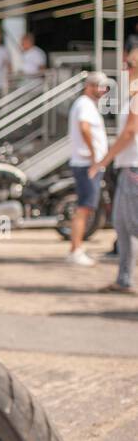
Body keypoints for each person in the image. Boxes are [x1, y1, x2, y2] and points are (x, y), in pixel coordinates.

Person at [89, 45, 138, 293]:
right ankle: (124, 279)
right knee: (122, 224)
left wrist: (103, 160)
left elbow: (130, 132)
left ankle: (126, 279)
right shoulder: (132, 96)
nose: (124, 69)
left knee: (131, 224)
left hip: (133, 167)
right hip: (128, 166)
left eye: (129, 65)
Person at [65, 71, 110, 267]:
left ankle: (77, 248)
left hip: (88, 163)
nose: (101, 90)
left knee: (86, 207)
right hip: (87, 164)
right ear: (88, 86)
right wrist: (94, 156)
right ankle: (75, 249)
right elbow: (84, 128)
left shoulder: (87, 104)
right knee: (84, 208)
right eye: (98, 86)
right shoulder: (84, 104)